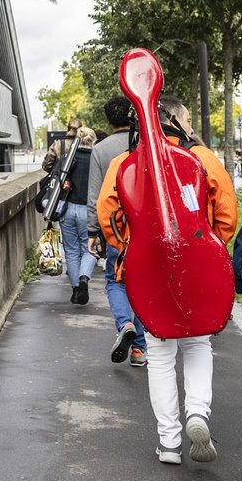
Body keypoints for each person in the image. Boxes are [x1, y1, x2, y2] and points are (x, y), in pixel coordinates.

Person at [98, 94, 237, 465]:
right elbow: (226, 213)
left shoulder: (125, 162)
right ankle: (197, 413)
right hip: (198, 264)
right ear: (175, 120)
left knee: (159, 354)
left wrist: (132, 251)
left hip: (150, 269)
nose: (190, 125)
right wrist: (209, 249)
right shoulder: (202, 157)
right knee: (198, 343)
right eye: (187, 119)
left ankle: (169, 443)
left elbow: (108, 216)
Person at [87, 95, 147, 366]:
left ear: (109, 120)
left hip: (116, 228)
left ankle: (125, 324)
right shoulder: (145, 144)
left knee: (115, 281)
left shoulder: (100, 150)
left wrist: (93, 232)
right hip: (145, 226)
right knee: (143, 284)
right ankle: (139, 350)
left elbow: (95, 197)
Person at [59, 125, 100, 305]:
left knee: (71, 250)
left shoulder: (68, 158)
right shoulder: (96, 159)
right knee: (89, 247)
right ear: (93, 141)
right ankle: (84, 277)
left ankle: (76, 289)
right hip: (89, 210)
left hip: (67, 208)